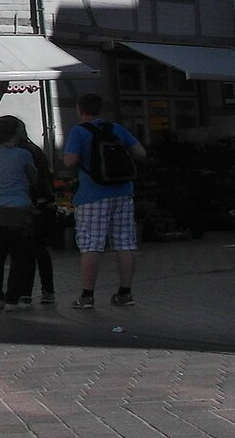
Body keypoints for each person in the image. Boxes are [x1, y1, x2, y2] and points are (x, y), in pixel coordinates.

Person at [59, 92, 148, 309]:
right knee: (125, 242)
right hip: (123, 191)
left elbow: (70, 161)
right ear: (100, 109)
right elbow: (141, 153)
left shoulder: (79, 132)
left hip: (92, 195)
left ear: (79, 110)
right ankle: (125, 293)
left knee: (91, 245)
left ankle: (87, 296)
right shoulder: (115, 128)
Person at [0, 115, 42, 311]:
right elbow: (34, 178)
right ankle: (12, 298)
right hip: (20, 210)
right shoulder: (23, 155)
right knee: (20, 257)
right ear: (16, 132)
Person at [16, 130, 58, 305]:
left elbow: (34, 179)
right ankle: (46, 290)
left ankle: (26, 291)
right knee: (39, 249)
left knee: (28, 250)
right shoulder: (33, 149)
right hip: (40, 203)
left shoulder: (22, 152)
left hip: (30, 204)